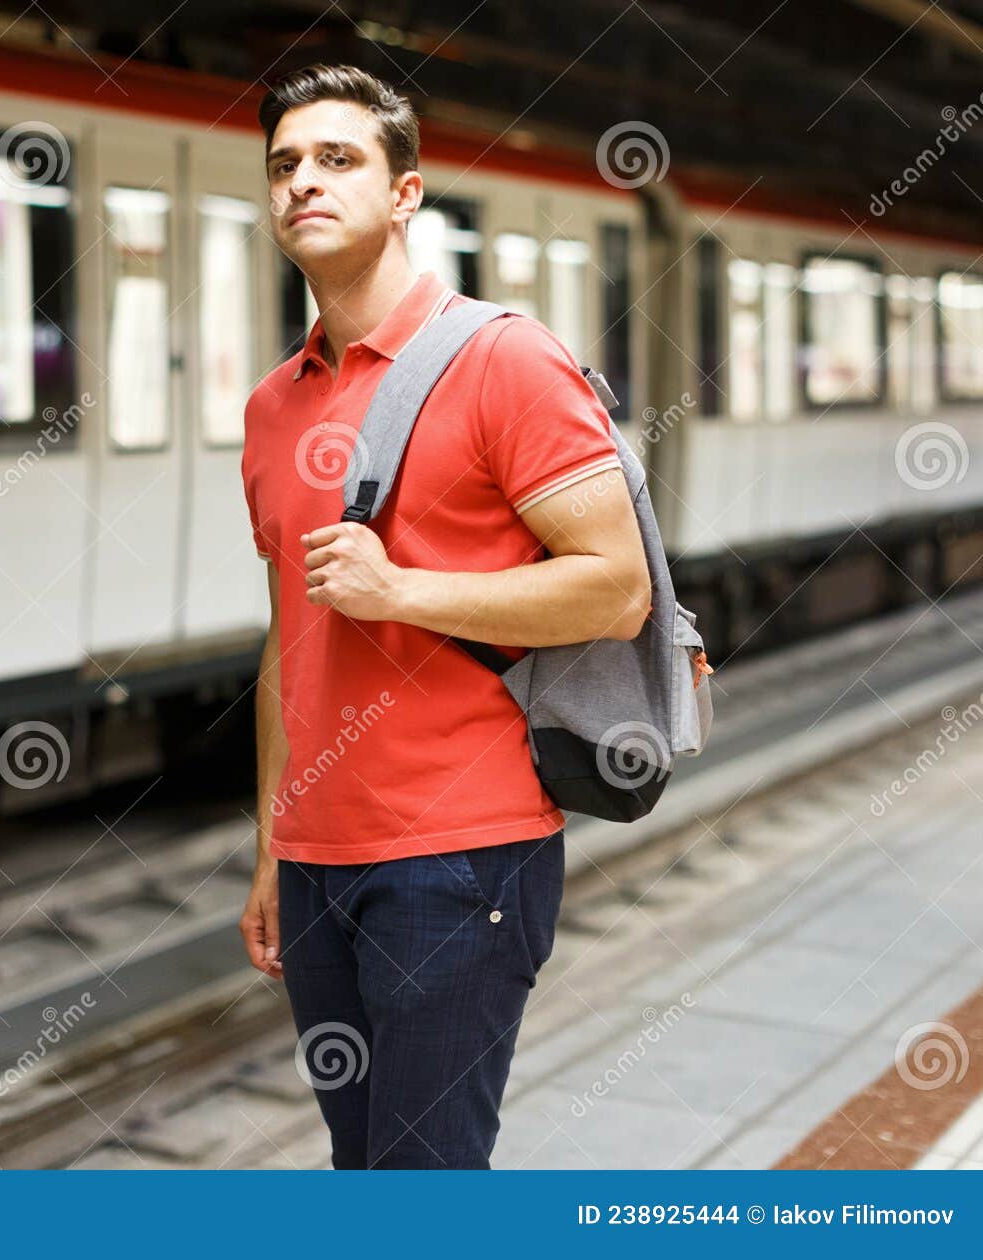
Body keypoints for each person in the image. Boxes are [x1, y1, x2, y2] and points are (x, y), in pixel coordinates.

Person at [237, 65, 651, 1170]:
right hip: (320, 852)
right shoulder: (273, 406)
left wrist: (402, 592)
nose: (302, 185)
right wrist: (274, 840)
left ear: (407, 192)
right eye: (283, 165)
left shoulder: (502, 359)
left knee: (424, 1173)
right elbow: (291, 634)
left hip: (463, 855)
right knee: (358, 1161)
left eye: (337, 161)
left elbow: (616, 587)